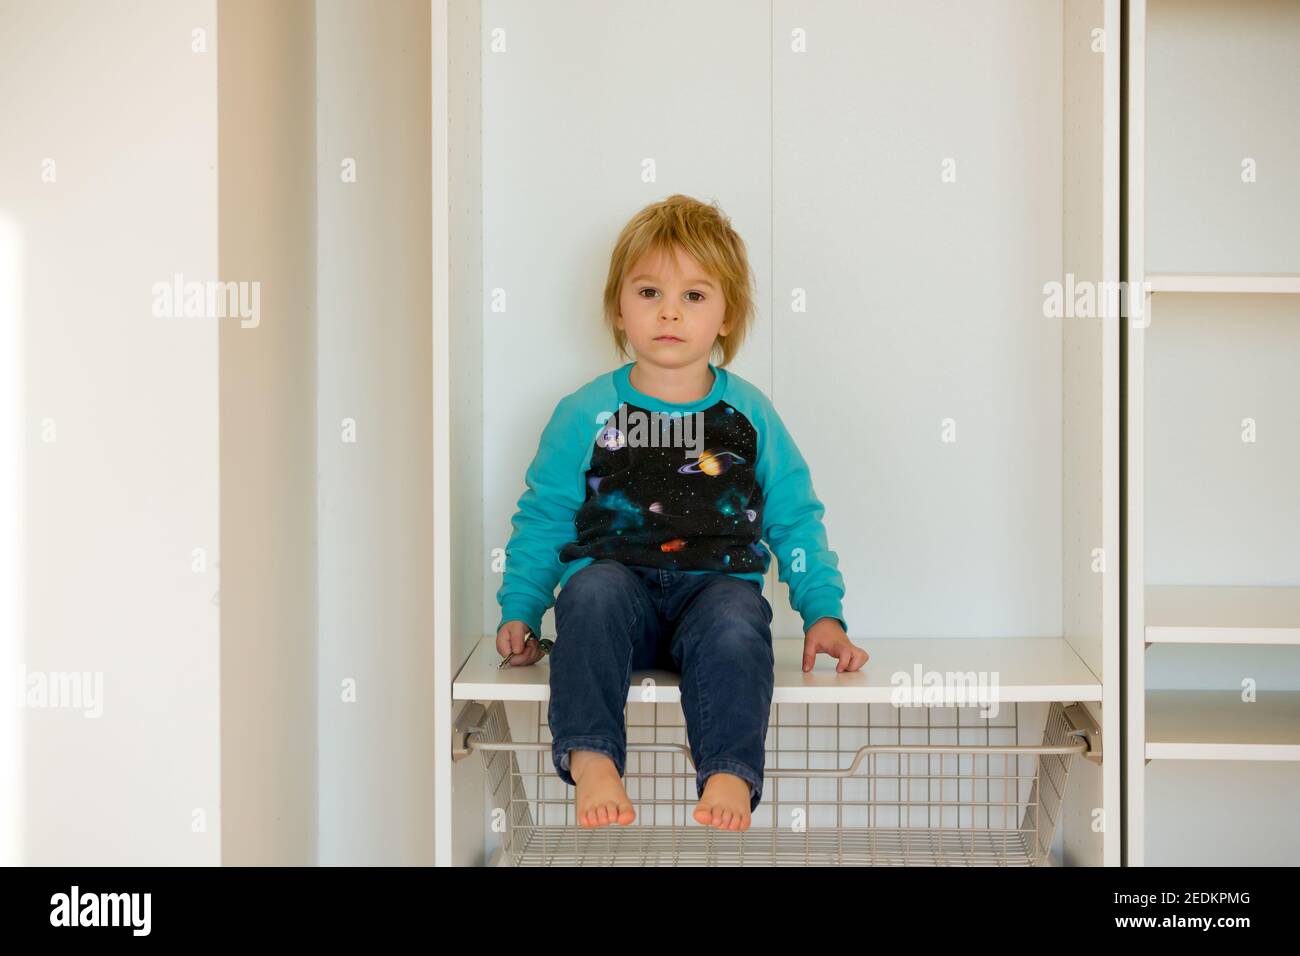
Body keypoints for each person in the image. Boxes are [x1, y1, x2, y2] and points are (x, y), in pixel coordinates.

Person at [495, 194, 868, 832]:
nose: (670, 311)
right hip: (621, 604)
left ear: (727, 316)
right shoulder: (584, 413)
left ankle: (728, 769)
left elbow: (794, 518)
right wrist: (521, 608)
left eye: (695, 296)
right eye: (649, 292)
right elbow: (546, 517)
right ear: (619, 306)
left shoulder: (749, 415)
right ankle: (591, 759)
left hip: (713, 595)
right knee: (589, 591)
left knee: (737, 616)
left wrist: (823, 610)